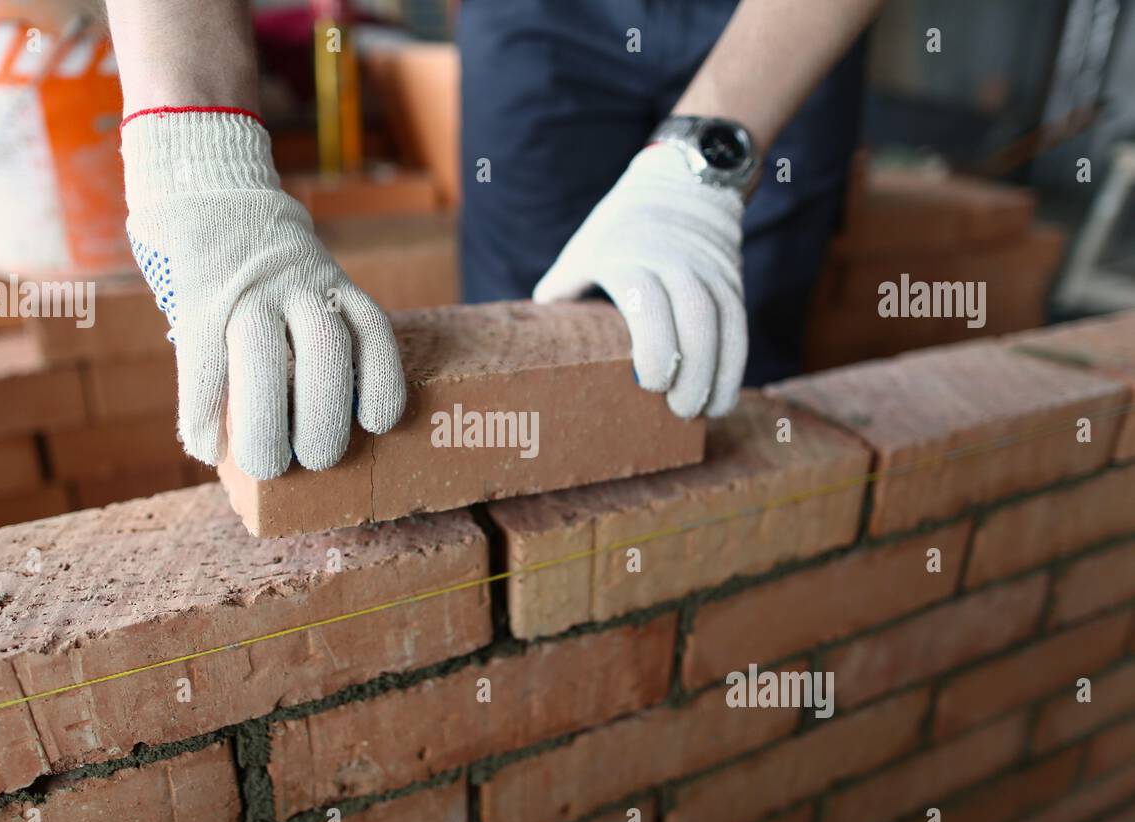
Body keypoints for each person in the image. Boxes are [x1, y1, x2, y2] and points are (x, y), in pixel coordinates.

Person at [105, 0, 884, 482]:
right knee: (519, 332)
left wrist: (701, 167)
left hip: (780, 18)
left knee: (731, 343)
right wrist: (196, 152)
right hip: (541, 12)